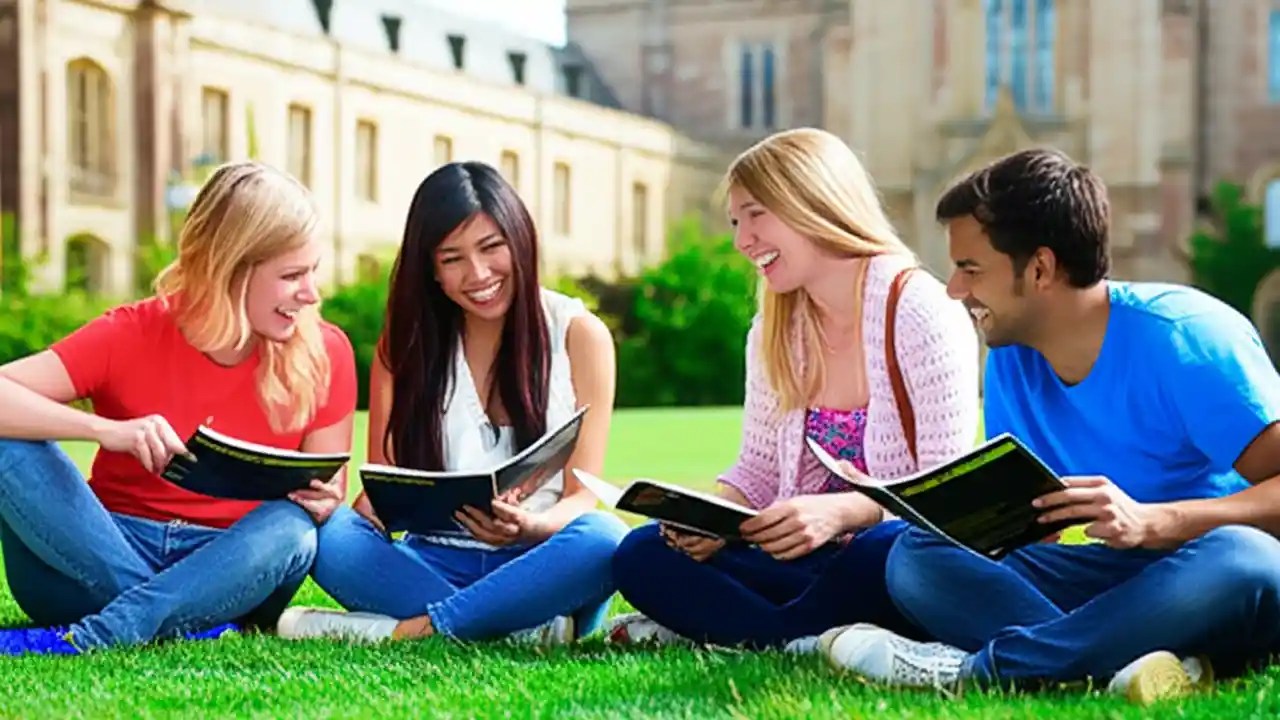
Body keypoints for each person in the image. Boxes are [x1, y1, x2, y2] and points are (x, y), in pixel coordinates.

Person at [820, 147, 1280, 704]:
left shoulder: (1186, 338)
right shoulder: (1013, 357)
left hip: (1214, 577)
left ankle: (977, 672)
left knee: (1244, 555)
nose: (954, 290)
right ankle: (1130, 660)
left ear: (1039, 268)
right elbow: (1034, 525)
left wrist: (1160, 521)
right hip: (1117, 578)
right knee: (919, 555)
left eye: (970, 269)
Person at [605, 127, 981, 650]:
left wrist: (845, 512)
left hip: (891, 555)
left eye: (756, 214)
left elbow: (947, 492)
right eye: (736, 222)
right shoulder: (773, 328)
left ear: (813, 200)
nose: (741, 240)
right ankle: (807, 635)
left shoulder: (922, 311)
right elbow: (756, 471)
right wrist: (709, 519)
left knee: (887, 555)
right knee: (640, 553)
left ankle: (752, 629)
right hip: (796, 562)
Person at [0, 161, 357, 655]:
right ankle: (177, 618)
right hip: (100, 553)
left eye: (312, 271)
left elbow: (324, 493)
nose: (311, 293)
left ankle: (118, 627)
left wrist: (323, 501)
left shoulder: (326, 353)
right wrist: (105, 430)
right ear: (229, 269)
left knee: (293, 529)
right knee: (9, 448)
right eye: (292, 275)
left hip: (230, 563)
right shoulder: (130, 333)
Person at [275, 161, 628, 645]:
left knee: (605, 537)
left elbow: (582, 495)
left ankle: (413, 630)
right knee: (331, 535)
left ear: (520, 241)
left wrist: (531, 527)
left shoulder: (578, 335)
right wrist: (342, 514)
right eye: (452, 258)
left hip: (540, 561)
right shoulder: (403, 349)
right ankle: (511, 629)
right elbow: (384, 488)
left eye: (491, 247)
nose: (478, 274)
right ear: (430, 269)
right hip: (432, 559)